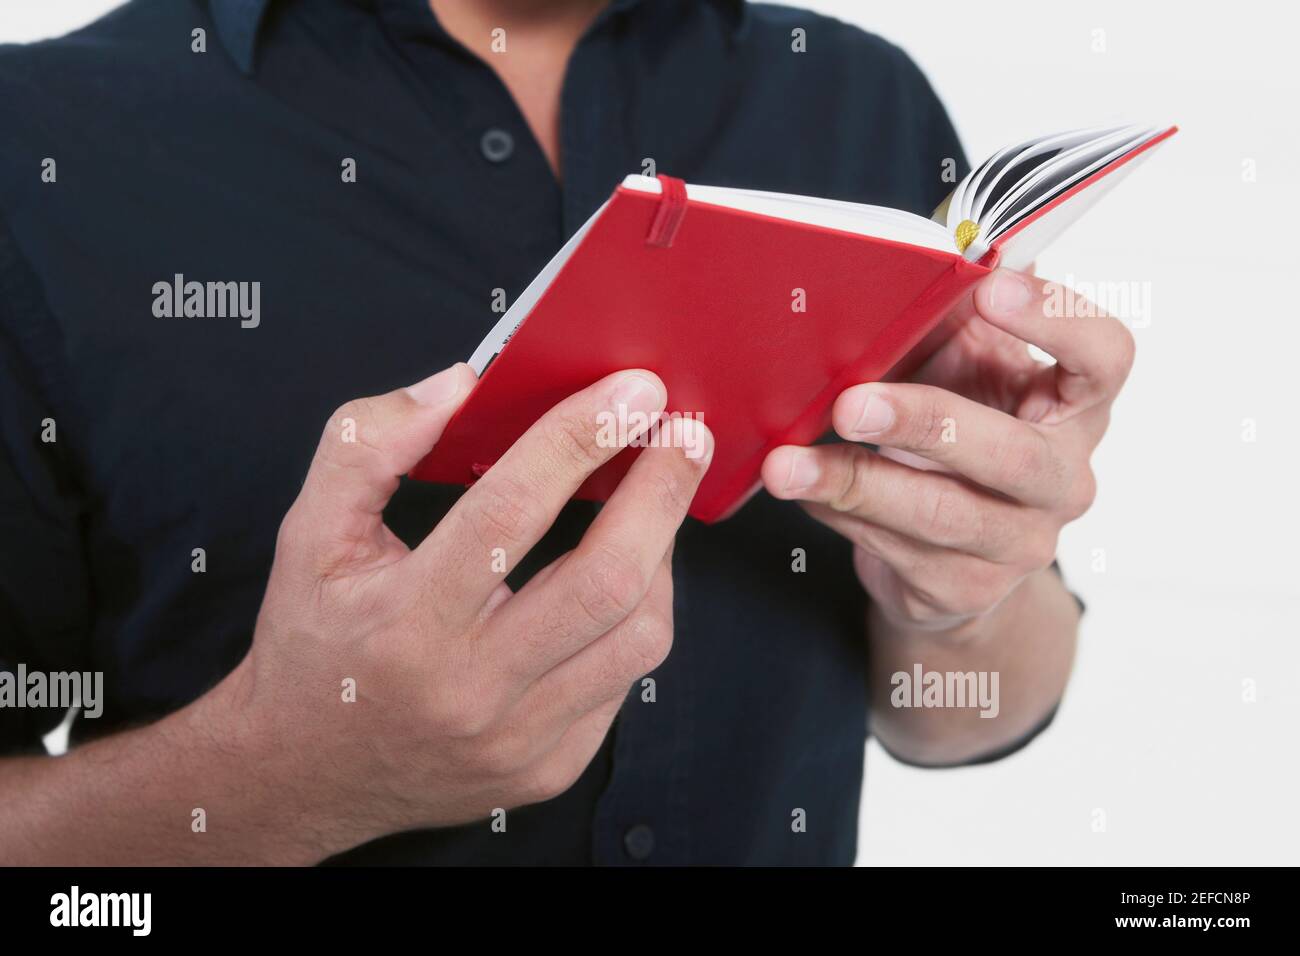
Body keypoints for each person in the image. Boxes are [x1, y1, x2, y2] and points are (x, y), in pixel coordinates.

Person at [0, 0, 1126, 865]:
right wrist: (285, 777)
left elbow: (961, 717)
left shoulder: (855, 96)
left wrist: (965, 597)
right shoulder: (42, 147)